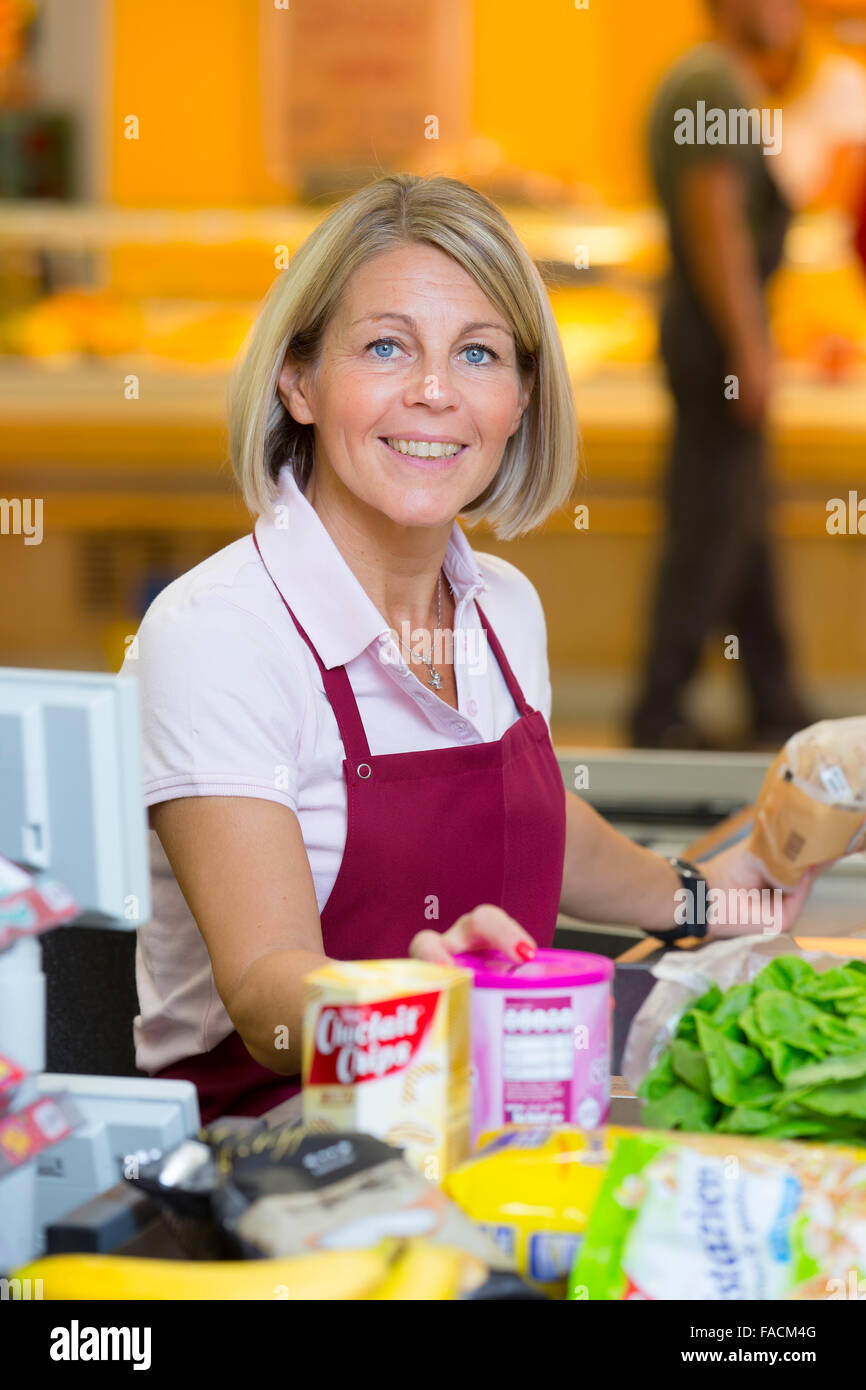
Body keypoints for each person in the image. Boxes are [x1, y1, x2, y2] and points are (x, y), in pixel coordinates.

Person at [124, 174, 820, 1124]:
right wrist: (422, 1001)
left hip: (506, 1122)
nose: (436, 393)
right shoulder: (221, 633)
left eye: (480, 354)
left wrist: (709, 899)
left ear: (522, 398)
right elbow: (261, 992)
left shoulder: (503, 607)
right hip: (285, 1166)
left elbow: (527, 821)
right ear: (298, 380)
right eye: (384, 346)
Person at [629, 0, 814, 751]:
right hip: (714, 339)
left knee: (740, 518)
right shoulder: (711, 82)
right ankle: (658, 709)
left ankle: (776, 698)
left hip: (709, 334)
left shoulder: (719, 80)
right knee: (710, 524)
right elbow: (716, 214)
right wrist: (749, 345)